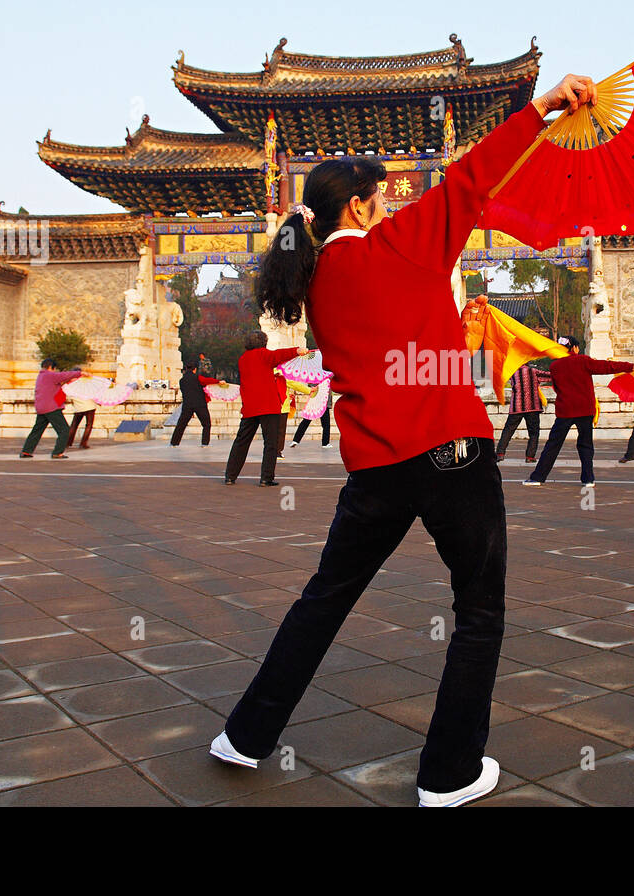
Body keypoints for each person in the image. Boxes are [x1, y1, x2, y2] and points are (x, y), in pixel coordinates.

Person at [209, 73, 597, 808]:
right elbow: (473, 177)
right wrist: (539, 110)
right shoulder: (405, 243)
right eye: (383, 195)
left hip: (375, 468)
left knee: (324, 599)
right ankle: (448, 774)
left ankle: (246, 736)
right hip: (451, 450)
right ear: (359, 205)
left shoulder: (314, 280)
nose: (392, 203)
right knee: (479, 609)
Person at [524, 337, 634, 487]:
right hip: (585, 410)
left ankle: (538, 477)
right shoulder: (583, 361)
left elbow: (556, 388)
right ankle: (588, 479)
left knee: (553, 445)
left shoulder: (555, 366)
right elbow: (607, 366)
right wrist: (631, 366)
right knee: (586, 445)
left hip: (565, 411)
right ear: (574, 348)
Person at [224, 331, 306, 484]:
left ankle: (230, 475)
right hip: (268, 406)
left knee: (241, 442)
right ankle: (266, 478)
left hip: (250, 407)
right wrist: (296, 351)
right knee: (271, 443)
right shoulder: (264, 355)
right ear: (263, 342)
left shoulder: (243, 359)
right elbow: (278, 355)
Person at [20, 359, 84, 459]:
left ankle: (26, 451)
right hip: (51, 407)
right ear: (51, 367)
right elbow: (64, 375)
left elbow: (55, 385)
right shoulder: (50, 375)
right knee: (64, 430)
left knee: (37, 430)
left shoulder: (41, 376)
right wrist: (80, 373)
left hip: (42, 407)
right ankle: (58, 452)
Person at [496, 361, 553, 463]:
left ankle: (500, 453)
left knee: (508, 431)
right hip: (532, 406)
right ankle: (530, 457)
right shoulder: (533, 371)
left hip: (517, 406)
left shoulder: (512, 373)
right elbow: (550, 376)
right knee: (534, 433)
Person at [170, 358, 222, 447]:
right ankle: (205, 443)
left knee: (181, 425)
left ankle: (174, 443)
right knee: (206, 424)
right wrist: (218, 382)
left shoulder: (182, 381)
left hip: (187, 405)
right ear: (195, 369)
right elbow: (207, 381)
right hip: (200, 404)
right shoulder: (198, 378)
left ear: (185, 369)